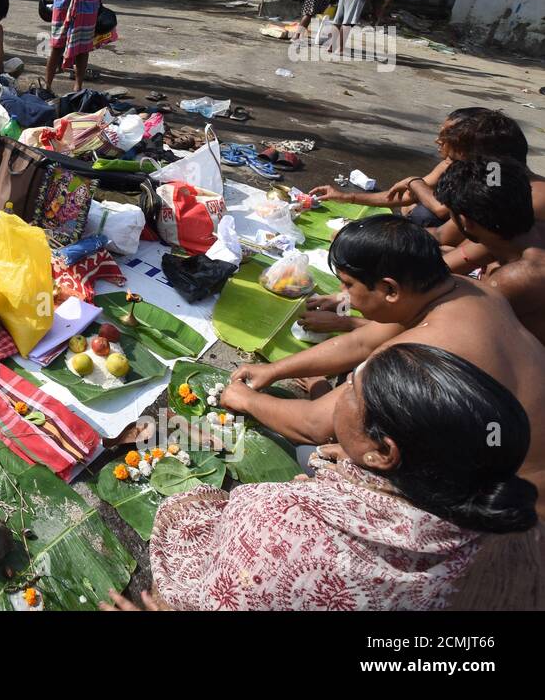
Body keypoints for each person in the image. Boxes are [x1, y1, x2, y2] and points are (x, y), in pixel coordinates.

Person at [108, 345, 542, 611]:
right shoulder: (512, 520)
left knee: (189, 513)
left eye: (351, 388)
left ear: (384, 452)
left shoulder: (274, 523)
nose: (341, 393)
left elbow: (230, 594)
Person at [220, 215, 545, 521]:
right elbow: (361, 343)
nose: (343, 296)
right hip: (500, 474)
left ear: (390, 289)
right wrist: (274, 370)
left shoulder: (423, 349)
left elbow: (316, 425)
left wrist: (246, 399)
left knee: (312, 453)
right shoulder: (464, 289)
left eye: (348, 285)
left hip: (510, 514)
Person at [405, 110, 545, 273]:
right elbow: (446, 241)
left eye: (460, 160)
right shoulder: (503, 189)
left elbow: (444, 244)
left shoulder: (512, 203)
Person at [309, 106, 490, 225]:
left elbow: (441, 210)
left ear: (466, 142)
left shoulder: (487, 174)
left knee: (420, 211)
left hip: (456, 242)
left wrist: (414, 182)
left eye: (446, 136)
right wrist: (346, 197)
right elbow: (405, 196)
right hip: (439, 234)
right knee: (410, 207)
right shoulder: (448, 164)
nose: (438, 140)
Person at [434, 156, 545, 344]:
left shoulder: (517, 277)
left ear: (465, 222)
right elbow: (438, 272)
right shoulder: (516, 235)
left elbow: (452, 327)